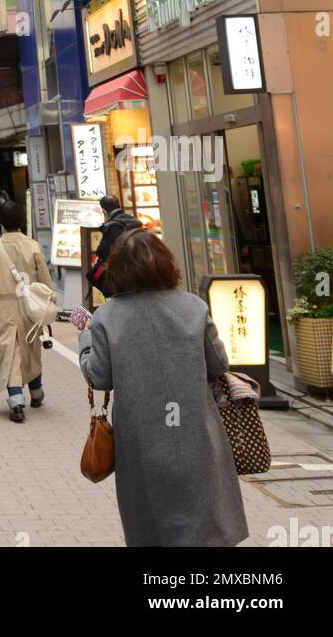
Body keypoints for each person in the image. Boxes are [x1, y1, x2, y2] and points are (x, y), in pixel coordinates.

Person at [76, 229, 248, 548]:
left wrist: (85, 340)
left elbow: (99, 377)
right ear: (166, 264)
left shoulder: (107, 317)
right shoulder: (193, 308)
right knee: (203, 522)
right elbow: (219, 363)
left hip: (140, 441)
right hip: (196, 432)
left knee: (150, 523)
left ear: (118, 270)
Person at [0, 199, 56, 422]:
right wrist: (49, 305)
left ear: (0, 222)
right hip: (28, 307)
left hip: (2, 308)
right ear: (21, 220)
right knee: (30, 349)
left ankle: (17, 401)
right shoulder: (33, 246)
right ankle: (36, 392)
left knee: (9, 353)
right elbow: (46, 282)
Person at [87, 194, 142, 298]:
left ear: (104, 211)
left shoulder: (113, 226)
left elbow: (102, 252)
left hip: (121, 275)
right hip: (138, 270)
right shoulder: (132, 221)